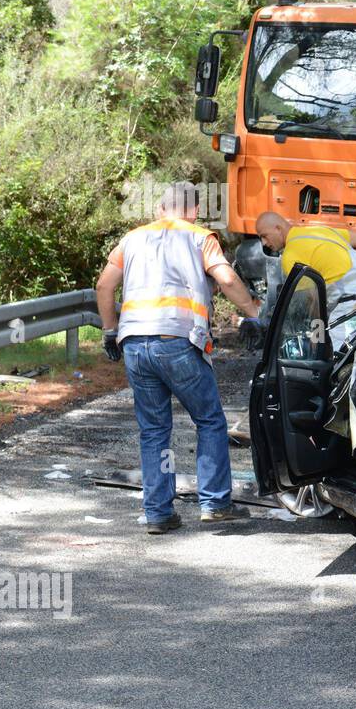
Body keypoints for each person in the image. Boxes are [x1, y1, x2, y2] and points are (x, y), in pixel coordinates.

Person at [95, 182, 263, 534]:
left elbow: (104, 286)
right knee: (209, 420)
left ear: (160, 209)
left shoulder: (133, 238)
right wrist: (252, 313)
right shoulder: (200, 237)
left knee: (154, 430)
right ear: (195, 210)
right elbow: (227, 278)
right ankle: (215, 504)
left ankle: (158, 513)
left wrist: (110, 330)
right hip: (178, 340)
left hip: (135, 344)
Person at [254, 212, 356, 347]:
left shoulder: (291, 255)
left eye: (264, 236)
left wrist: (317, 340)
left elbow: (313, 303)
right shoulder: (319, 231)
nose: (264, 243)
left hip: (349, 305)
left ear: (278, 229)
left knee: (337, 357)